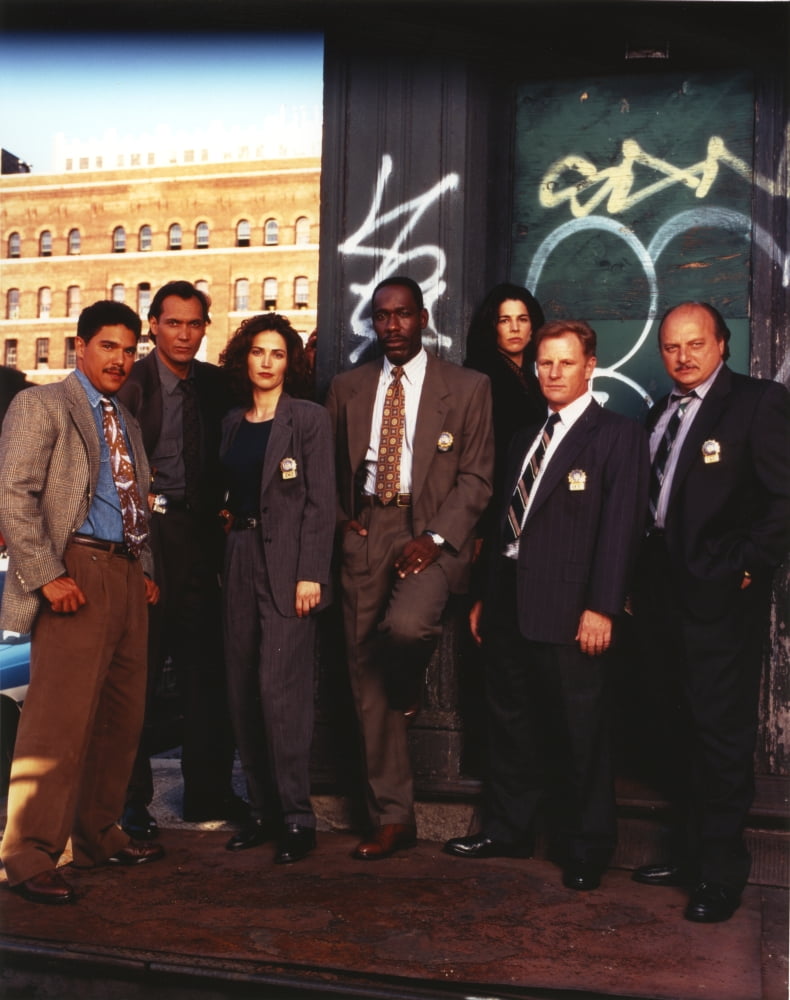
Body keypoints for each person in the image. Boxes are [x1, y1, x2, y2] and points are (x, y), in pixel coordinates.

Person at [444, 319, 649, 891]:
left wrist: (603, 608)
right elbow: (505, 523)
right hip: (509, 599)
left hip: (572, 608)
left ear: (590, 366)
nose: (553, 372)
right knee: (510, 722)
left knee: (580, 730)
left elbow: (620, 530)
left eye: (565, 362)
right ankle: (508, 830)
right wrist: (486, 596)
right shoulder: (525, 434)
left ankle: (587, 847)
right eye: (544, 363)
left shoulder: (617, 435)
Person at [630, 302, 790, 923]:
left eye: (696, 344)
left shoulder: (756, 404)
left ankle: (721, 875)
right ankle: (689, 852)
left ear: (722, 344)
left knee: (721, 736)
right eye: (672, 347)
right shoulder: (657, 413)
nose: (683, 357)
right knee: (678, 728)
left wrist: (748, 564)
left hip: (721, 598)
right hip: (662, 597)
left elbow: (786, 498)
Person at [0, 300, 163, 905]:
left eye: (129, 348)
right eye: (109, 347)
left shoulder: (127, 418)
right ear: (81, 347)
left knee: (121, 717)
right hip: (75, 570)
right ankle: (27, 853)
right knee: (57, 722)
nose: (121, 359)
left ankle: (98, 834)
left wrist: (144, 568)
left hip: (124, 575)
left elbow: (136, 498)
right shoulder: (42, 404)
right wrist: (46, 576)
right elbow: (13, 495)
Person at [326, 275, 494, 860]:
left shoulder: (467, 387)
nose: (391, 327)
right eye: (381, 317)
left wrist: (435, 537)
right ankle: (393, 817)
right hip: (367, 532)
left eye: (402, 315)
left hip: (432, 536)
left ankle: (407, 681)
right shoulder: (346, 387)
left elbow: (476, 479)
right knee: (363, 680)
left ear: (423, 318)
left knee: (404, 632)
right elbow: (330, 469)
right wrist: (344, 522)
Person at [118, 280, 245, 837]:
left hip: (202, 534)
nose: (185, 334)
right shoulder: (132, 384)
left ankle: (208, 793)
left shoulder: (218, 386)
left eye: (195, 324)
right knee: (138, 675)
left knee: (206, 673)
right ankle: (129, 807)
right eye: (174, 323)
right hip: (147, 535)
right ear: (153, 325)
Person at [218, 314, 335, 864]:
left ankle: (296, 818)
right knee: (242, 686)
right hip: (240, 557)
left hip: (290, 566)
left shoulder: (308, 419)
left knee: (279, 691)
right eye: (258, 352)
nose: (267, 362)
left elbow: (321, 502)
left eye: (278, 353)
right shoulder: (231, 424)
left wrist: (311, 572)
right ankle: (263, 812)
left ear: (292, 362)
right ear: (244, 358)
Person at [464, 282, 546, 489]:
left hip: (526, 484)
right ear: (492, 327)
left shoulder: (530, 378)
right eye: (504, 320)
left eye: (522, 319)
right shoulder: (481, 376)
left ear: (532, 327)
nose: (515, 328)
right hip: (494, 489)